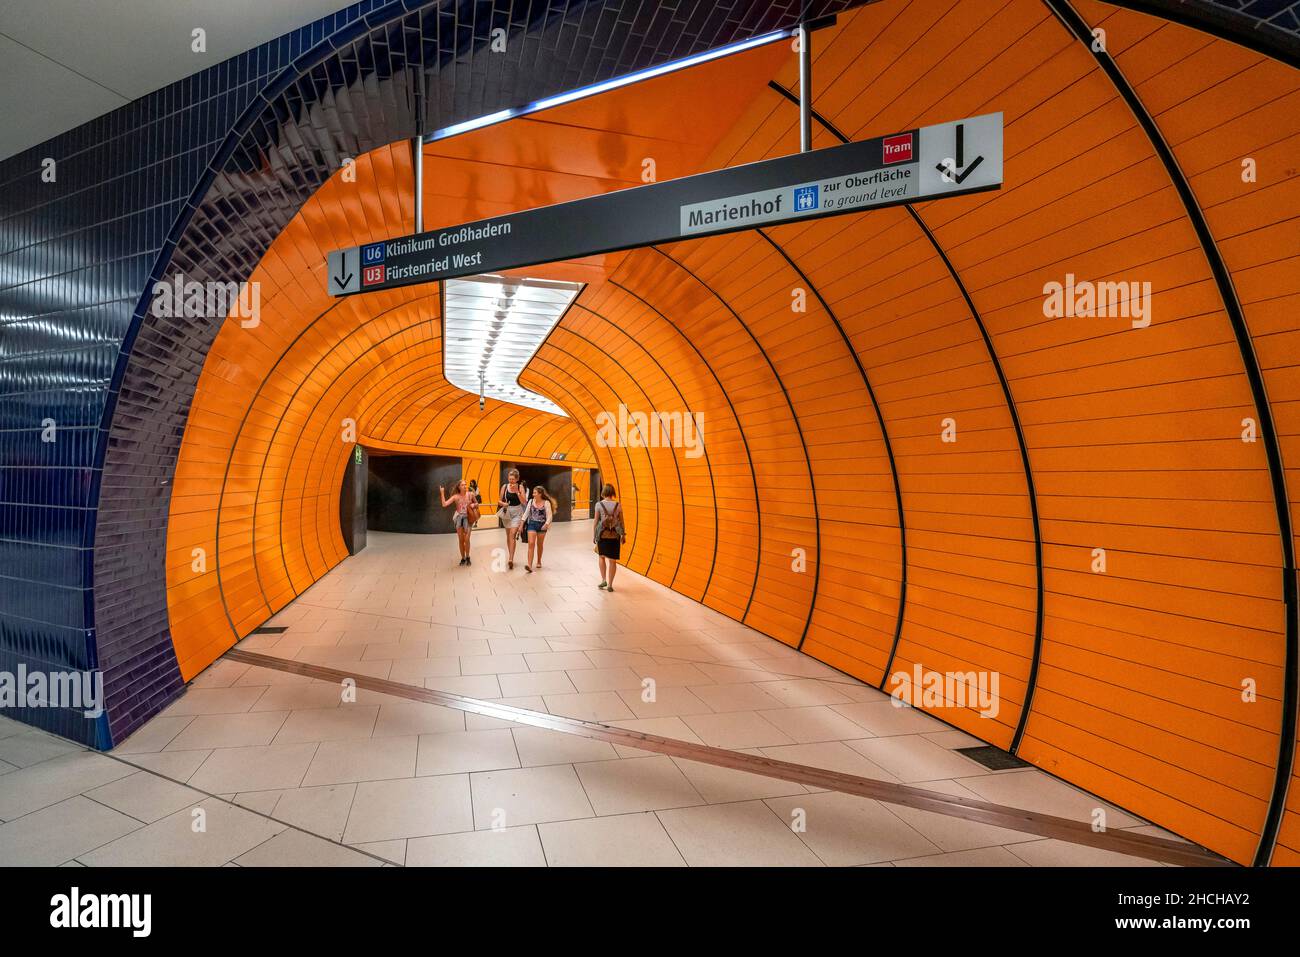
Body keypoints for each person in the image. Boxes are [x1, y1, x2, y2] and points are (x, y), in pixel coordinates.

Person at [592, 483, 626, 591]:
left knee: (601, 557)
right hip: (615, 535)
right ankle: (610, 584)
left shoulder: (598, 504)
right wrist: (623, 535)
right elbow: (622, 521)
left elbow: (596, 521)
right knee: (613, 560)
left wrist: (594, 535)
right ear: (613, 492)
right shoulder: (618, 505)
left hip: (602, 534)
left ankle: (603, 580)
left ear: (604, 492)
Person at [439, 479, 475, 565]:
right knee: (461, 540)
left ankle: (468, 556)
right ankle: (463, 558)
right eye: (462, 485)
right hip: (459, 518)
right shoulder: (456, 497)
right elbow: (444, 504)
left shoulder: (470, 494)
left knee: (467, 539)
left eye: (465, 484)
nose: (465, 486)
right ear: (459, 487)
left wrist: (474, 504)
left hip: (468, 518)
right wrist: (442, 493)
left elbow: (477, 503)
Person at [498, 468, 527, 569]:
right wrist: (503, 503)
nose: (511, 481)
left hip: (517, 512)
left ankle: (511, 558)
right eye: (509, 479)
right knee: (508, 535)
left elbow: (524, 502)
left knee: (512, 534)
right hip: (507, 512)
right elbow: (499, 501)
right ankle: (510, 554)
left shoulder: (520, 487)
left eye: (513, 479)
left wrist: (517, 492)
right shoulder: (504, 487)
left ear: (517, 479)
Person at [520, 485, 554, 572]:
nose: (533, 494)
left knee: (539, 544)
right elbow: (526, 514)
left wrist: (546, 524)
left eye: (535, 493)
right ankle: (529, 565)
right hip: (531, 524)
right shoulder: (531, 501)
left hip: (542, 526)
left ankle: (539, 561)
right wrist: (521, 525)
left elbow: (549, 516)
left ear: (540, 494)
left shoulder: (546, 503)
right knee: (531, 543)